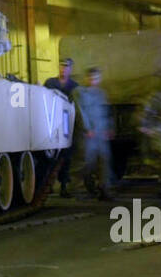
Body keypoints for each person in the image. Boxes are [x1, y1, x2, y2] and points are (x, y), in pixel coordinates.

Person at [70, 66, 115, 199]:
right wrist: (86, 128)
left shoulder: (101, 93)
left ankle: (104, 190)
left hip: (101, 132)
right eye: (91, 77)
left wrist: (110, 128)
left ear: (99, 79)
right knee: (86, 162)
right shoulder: (79, 92)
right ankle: (75, 188)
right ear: (86, 78)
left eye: (96, 78)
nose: (93, 80)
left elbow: (107, 112)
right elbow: (79, 111)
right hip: (88, 134)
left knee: (104, 161)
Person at [45, 58, 80, 195]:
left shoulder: (75, 86)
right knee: (50, 157)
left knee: (66, 157)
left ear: (70, 69)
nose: (63, 69)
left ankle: (64, 185)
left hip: (68, 124)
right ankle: (48, 185)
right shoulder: (50, 83)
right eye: (61, 66)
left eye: (66, 67)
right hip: (52, 124)